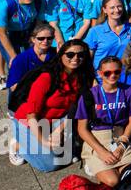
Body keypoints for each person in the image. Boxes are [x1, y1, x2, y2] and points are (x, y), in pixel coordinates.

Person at [10, 39, 93, 170]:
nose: (75, 58)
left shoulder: (83, 77)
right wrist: (43, 141)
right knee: (49, 165)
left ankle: (48, 143)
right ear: (61, 56)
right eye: (70, 54)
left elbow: (76, 107)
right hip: (30, 121)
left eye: (81, 55)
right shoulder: (47, 77)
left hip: (58, 119)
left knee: (65, 155)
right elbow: (31, 115)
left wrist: (59, 130)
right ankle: (18, 146)